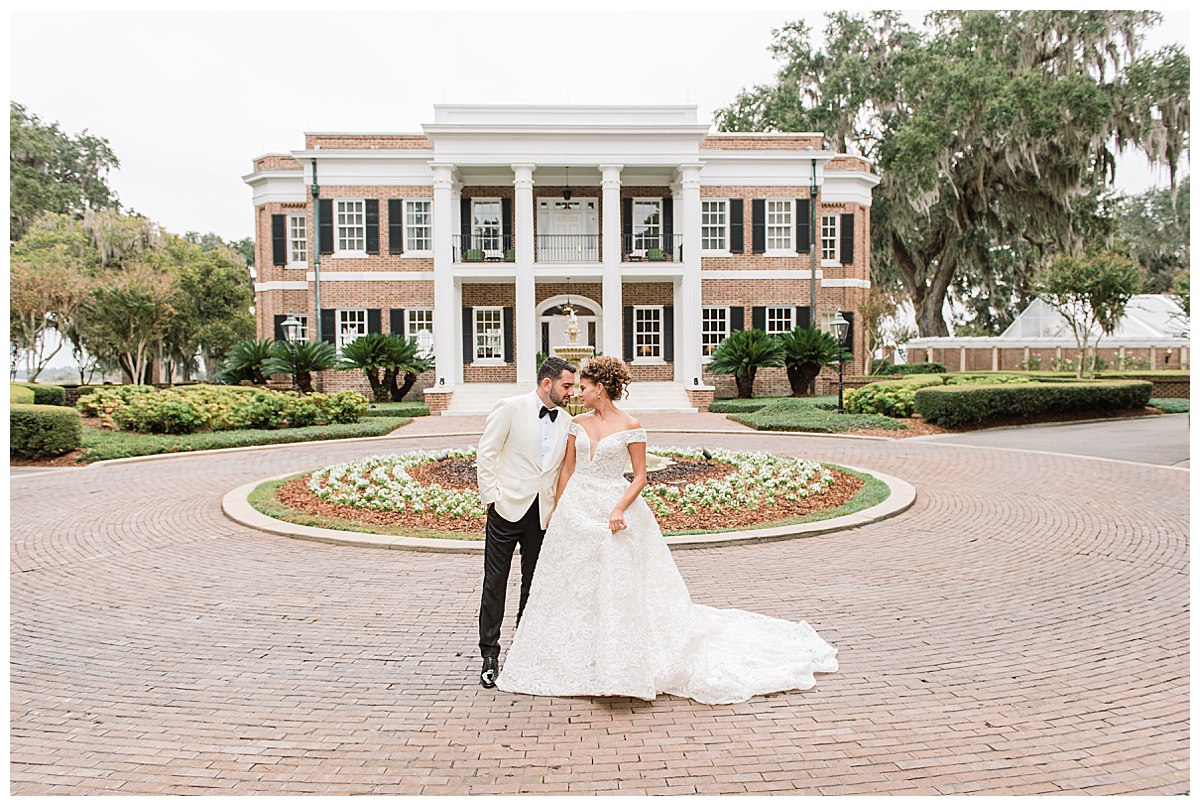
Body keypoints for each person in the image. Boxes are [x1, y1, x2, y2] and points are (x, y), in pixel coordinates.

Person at [495, 356, 839, 704]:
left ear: (599, 389)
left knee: (615, 584)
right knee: (569, 585)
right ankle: (571, 656)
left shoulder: (631, 425)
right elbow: (567, 470)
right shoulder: (575, 423)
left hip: (613, 509)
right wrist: (558, 508)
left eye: (582, 387)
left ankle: (617, 660)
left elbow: (641, 476)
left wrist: (618, 507)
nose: (576, 394)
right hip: (575, 512)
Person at [475, 356, 577, 688]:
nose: (571, 392)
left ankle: (523, 648)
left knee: (533, 584)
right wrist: (492, 497)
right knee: (495, 583)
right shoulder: (510, 407)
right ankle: (489, 654)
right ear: (547, 384)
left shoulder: (565, 420)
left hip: (542, 514)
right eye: (567, 385)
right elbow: (487, 452)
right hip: (506, 508)